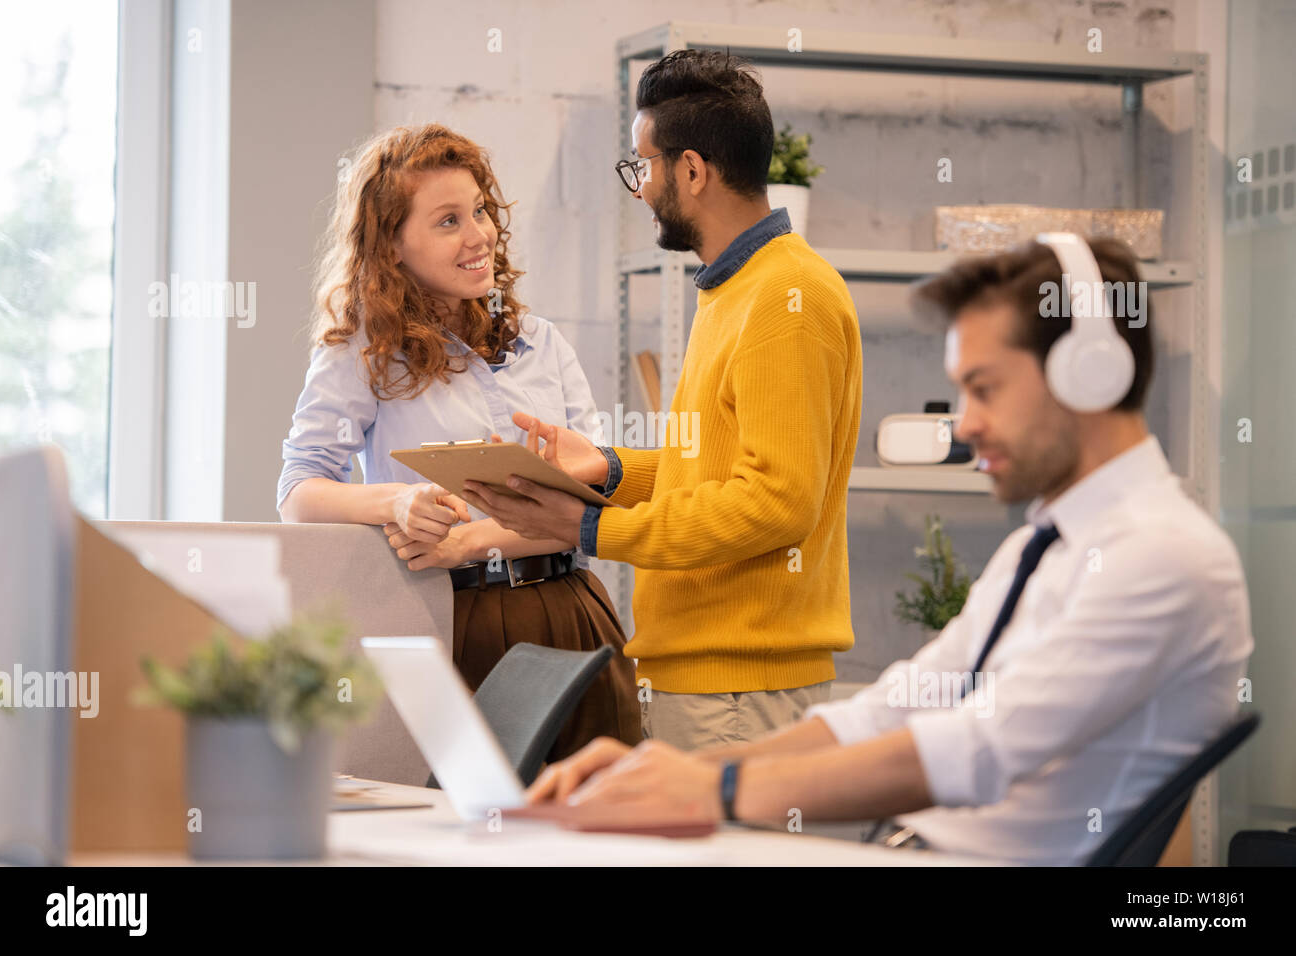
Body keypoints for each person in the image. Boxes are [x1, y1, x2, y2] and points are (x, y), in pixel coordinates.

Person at [520, 236, 1254, 866]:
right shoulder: (1050, 544)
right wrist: (670, 771)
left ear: (1088, 373)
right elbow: (899, 704)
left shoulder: (1162, 555)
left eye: (985, 389)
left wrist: (713, 790)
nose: (963, 426)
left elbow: (978, 750)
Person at [462, 50, 864, 752]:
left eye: (642, 167)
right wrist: (608, 470)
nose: (639, 188)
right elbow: (717, 470)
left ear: (691, 171)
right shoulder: (734, 288)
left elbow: (776, 503)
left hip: (738, 687)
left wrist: (585, 530)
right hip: (709, 680)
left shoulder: (784, 298)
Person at [277, 124, 640, 759]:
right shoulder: (363, 353)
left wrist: (472, 538)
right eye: (448, 221)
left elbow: (597, 504)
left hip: (575, 612)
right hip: (450, 622)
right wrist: (396, 504)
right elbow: (299, 496)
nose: (479, 236)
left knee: (600, 831)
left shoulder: (543, 342)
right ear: (391, 245)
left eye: (478, 211)